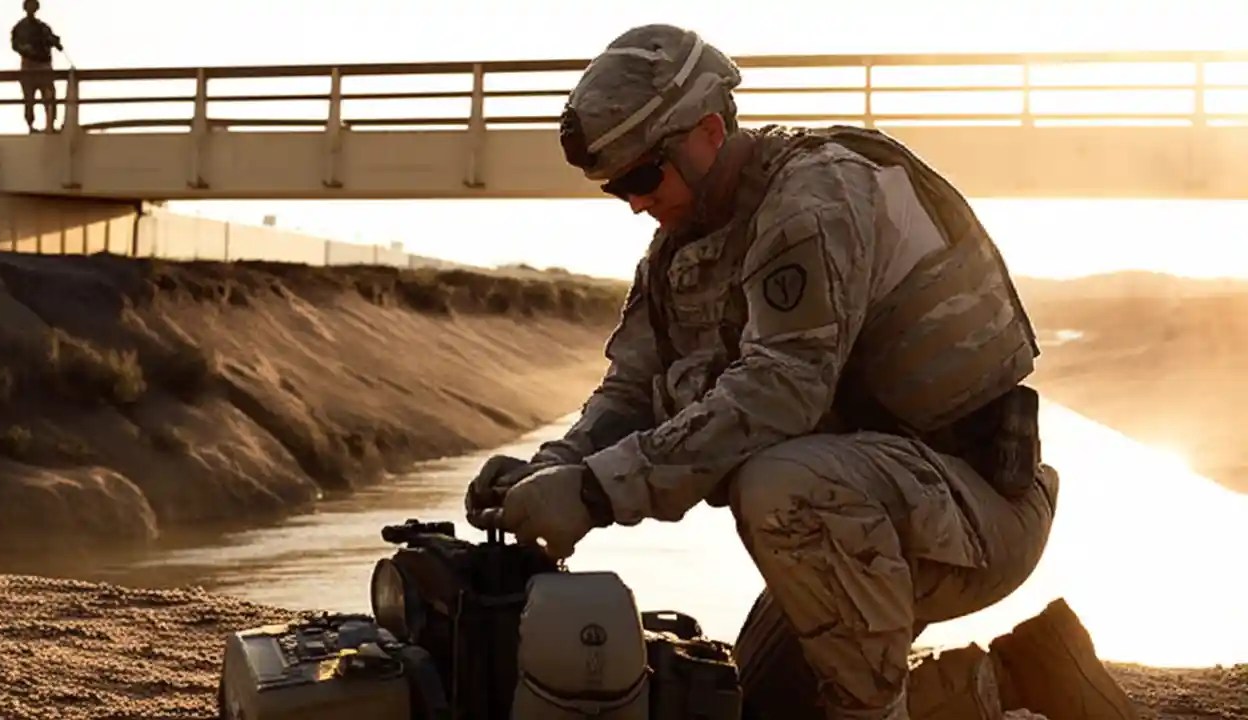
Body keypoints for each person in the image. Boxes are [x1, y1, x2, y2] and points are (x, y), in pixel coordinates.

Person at [466, 24, 1135, 720]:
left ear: (708, 132)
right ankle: (1026, 676)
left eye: (642, 176)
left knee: (778, 486)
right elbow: (631, 390)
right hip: (866, 507)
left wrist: (597, 491)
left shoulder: (817, 197)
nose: (635, 202)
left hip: (970, 501)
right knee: (754, 706)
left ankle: (895, 707)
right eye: (616, 188)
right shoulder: (678, 251)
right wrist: (554, 466)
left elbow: (781, 389)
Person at [11, 0, 63, 133]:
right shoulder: (20, 27)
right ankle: (31, 126)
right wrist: (25, 49)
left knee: (49, 96)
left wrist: (54, 42)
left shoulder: (42, 27)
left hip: (43, 65)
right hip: (29, 65)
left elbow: (55, 41)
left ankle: (50, 125)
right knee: (29, 98)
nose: (31, 8)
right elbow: (15, 45)